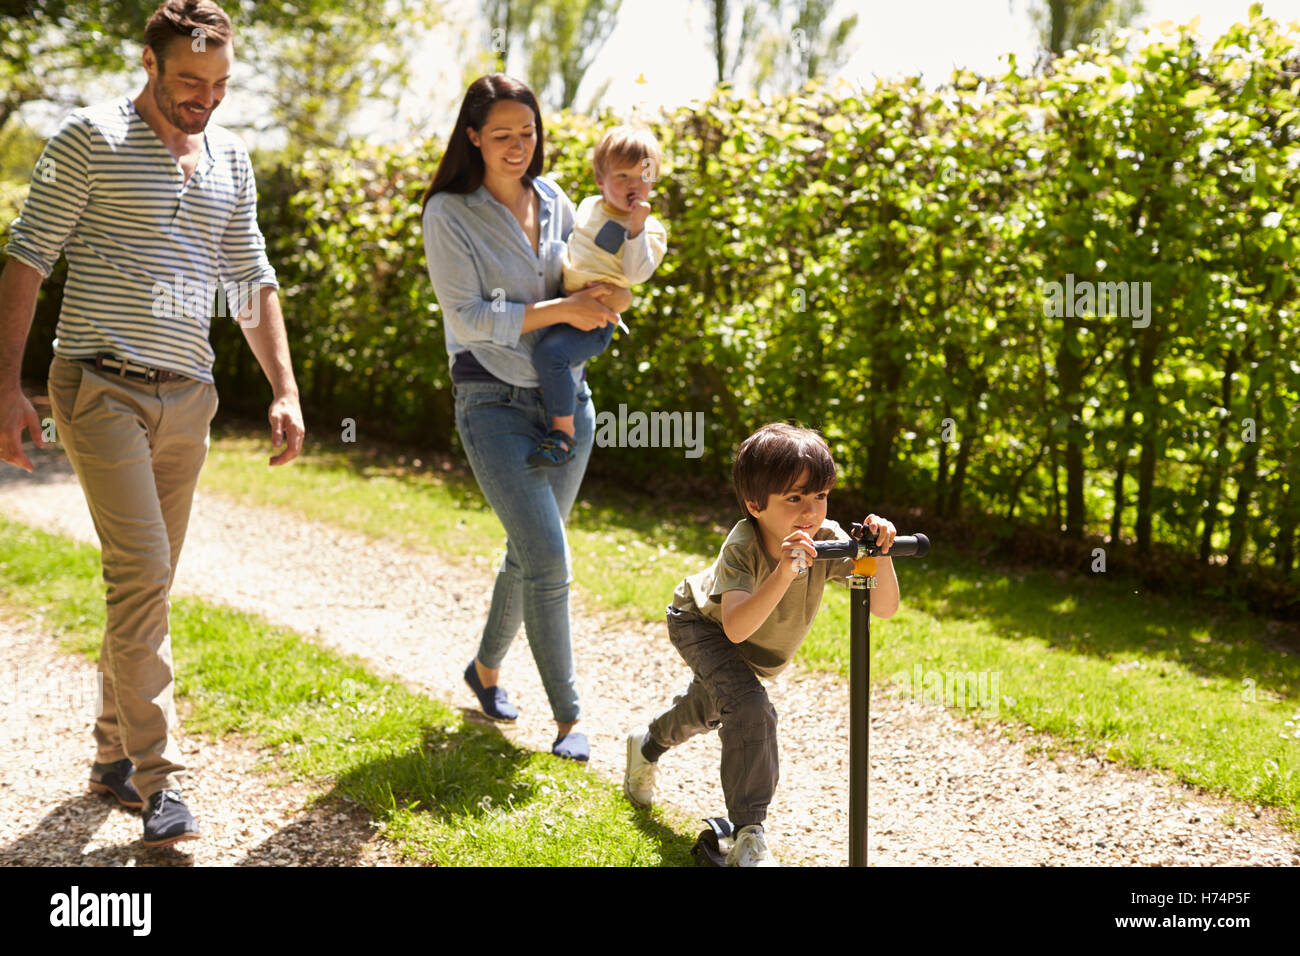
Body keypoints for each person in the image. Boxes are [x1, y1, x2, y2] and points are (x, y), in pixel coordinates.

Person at [0, 0, 305, 848]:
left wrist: (283, 387)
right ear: (148, 61)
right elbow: (27, 257)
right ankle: (160, 779)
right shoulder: (90, 137)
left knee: (151, 581)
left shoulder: (230, 160)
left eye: (217, 85)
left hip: (191, 396)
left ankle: (109, 755)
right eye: (186, 82)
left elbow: (251, 280)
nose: (202, 99)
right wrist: (7, 388)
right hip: (99, 387)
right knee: (139, 574)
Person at [421, 74, 631, 762]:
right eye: (502, 134)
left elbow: (581, 273)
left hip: (567, 399)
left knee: (527, 552)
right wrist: (563, 312)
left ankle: (484, 672)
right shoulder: (449, 214)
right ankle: (571, 721)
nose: (518, 146)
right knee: (548, 557)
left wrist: (607, 290)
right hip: (492, 403)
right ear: (474, 137)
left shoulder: (556, 199)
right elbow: (470, 318)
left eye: (529, 132)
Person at [622, 423, 901, 866]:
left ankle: (647, 744)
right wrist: (785, 572)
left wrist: (878, 554)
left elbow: (884, 606)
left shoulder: (825, 538)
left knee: (710, 707)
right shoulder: (743, 545)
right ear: (755, 504)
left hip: (750, 650)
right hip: (701, 624)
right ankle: (749, 833)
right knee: (750, 708)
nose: (811, 511)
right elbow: (735, 628)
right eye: (794, 498)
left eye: (820, 495)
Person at [525, 125, 668, 467]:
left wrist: (635, 230)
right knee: (542, 351)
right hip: (567, 300)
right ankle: (553, 406)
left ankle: (563, 435)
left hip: (595, 318)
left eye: (643, 176)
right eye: (623, 175)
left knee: (552, 355)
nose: (634, 184)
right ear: (601, 181)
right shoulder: (589, 206)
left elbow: (636, 275)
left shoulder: (651, 229)